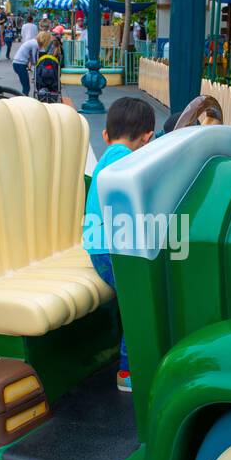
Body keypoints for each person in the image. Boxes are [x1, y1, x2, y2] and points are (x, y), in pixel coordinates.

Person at [81, 98, 156, 392]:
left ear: (105, 135)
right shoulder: (126, 164)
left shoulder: (111, 157)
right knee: (141, 298)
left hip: (104, 246)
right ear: (148, 138)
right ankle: (129, 371)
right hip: (108, 250)